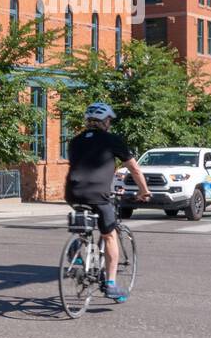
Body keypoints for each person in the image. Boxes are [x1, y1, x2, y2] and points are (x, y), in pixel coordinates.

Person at [63, 102, 150, 302]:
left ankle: (77, 244)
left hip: (72, 192)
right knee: (109, 235)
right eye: (109, 120)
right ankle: (110, 284)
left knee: (84, 223)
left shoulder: (75, 141)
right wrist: (144, 191)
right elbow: (134, 169)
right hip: (97, 194)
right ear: (106, 121)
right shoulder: (112, 140)